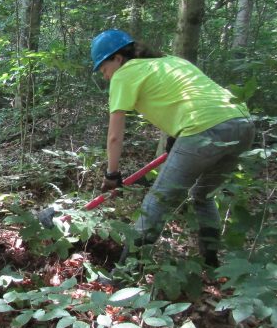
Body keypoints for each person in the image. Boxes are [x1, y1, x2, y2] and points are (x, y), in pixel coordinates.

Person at [91, 29, 255, 269]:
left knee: (157, 200)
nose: (105, 76)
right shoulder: (172, 62)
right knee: (203, 195)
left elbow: (115, 136)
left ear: (118, 58)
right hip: (243, 124)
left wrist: (112, 174)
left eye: (103, 69)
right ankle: (211, 263)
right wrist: (174, 137)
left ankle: (126, 272)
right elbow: (185, 97)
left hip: (202, 129)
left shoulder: (124, 75)